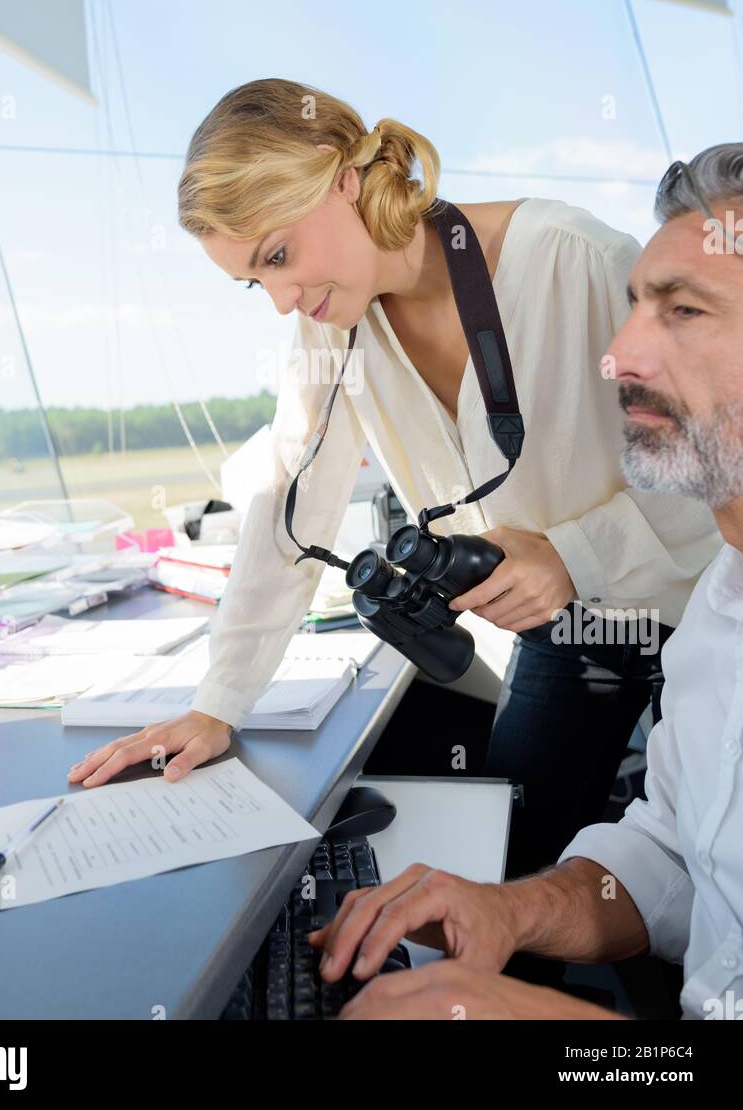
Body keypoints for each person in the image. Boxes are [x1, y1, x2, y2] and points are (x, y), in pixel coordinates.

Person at [67, 79, 718, 878]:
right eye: (252, 281)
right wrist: (217, 706)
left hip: (696, 607)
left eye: (277, 256)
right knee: (501, 852)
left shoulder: (568, 258)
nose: (279, 300)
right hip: (567, 634)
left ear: (339, 177)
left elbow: (721, 460)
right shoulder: (328, 326)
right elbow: (289, 507)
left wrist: (568, 554)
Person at [308, 144, 743, 1020]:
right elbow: (670, 858)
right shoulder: (716, 618)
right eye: (632, 311)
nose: (616, 356)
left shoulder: (560, 247)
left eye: (683, 310)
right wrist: (508, 909)